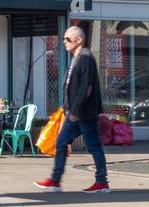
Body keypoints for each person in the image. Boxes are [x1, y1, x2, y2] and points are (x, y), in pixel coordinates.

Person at [36, 26, 110, 193]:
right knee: (61, 142)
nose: (64, 42)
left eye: (68, 39)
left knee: (93, 146)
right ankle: (55, 181)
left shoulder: (85, 57)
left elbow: (86, 88)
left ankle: (102, 182)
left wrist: (75, 111)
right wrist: (67, 108)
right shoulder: (77, 58)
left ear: (79, 40)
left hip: (84, 113)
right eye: (63, 39)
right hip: (75, 112)